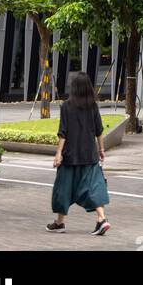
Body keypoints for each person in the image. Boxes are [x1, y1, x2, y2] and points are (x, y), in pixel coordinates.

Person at [47, 70, 110, 236]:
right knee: (93, 188)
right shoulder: (93, 106)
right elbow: (99, 131)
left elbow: (63, 132)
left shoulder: (66, 106)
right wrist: (101, 150)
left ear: (74, 87)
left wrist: (58, 153)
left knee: (63, 188)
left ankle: (64, 223)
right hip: (89, 156)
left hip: (70, 156)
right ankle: (99, 219)